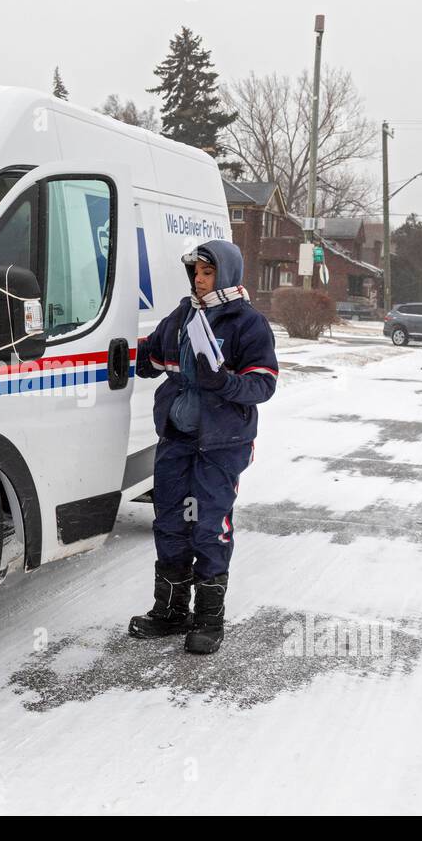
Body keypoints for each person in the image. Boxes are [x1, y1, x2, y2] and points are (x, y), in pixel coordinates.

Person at [128, 239, 279, 654]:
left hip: (220, 445)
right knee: (170, 523)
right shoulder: (181, 316)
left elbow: (264, 383)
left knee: (209, 527)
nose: (199, 280)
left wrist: (225, 382)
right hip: (177, 441)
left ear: (226, 274)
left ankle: (209, 619)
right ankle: (171, 612)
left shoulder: (248, 323)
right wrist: (135, 355)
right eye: (195, 272)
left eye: (207, 273)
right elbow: (155, 357)